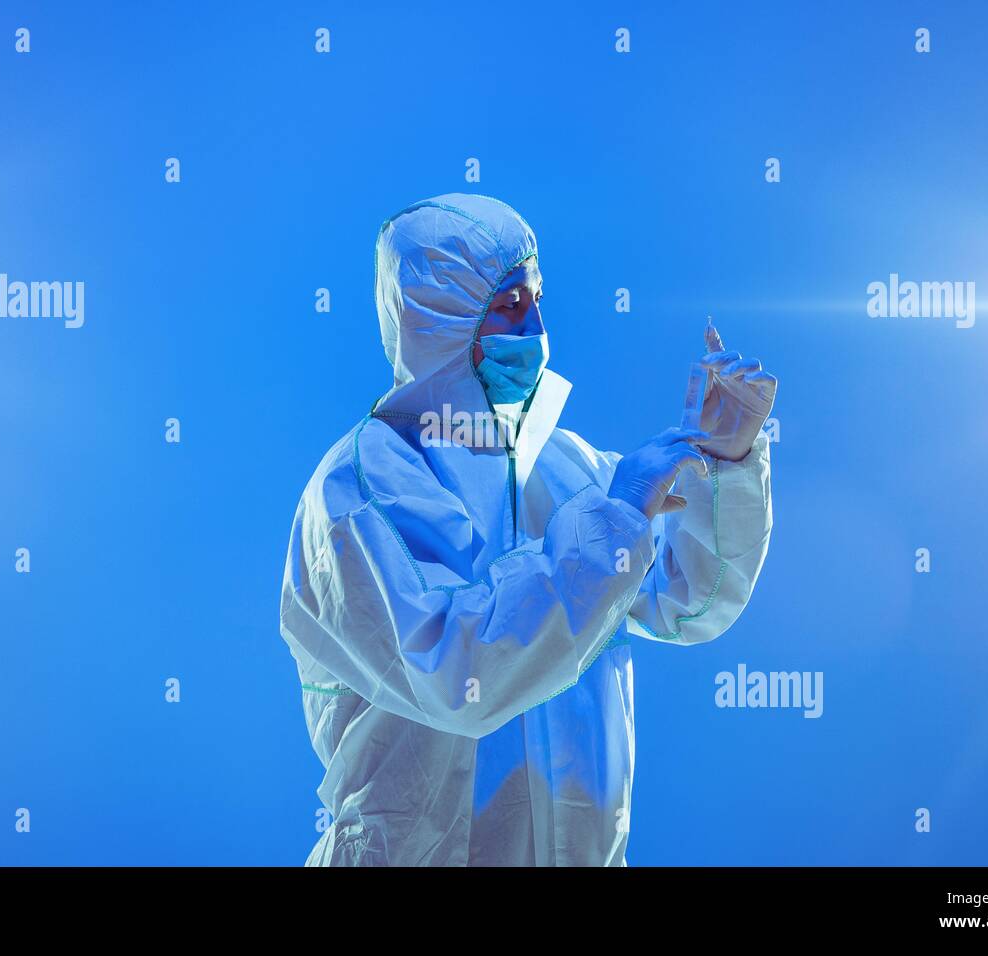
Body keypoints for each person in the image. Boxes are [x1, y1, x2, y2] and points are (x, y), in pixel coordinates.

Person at [279, 193, 775, 866]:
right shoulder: (362, 486)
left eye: (537, 299)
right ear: (439, 320)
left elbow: (689, 604)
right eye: (510, 305)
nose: (537, 327)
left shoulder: (568, 466)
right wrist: (618, 515)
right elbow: (458, 674)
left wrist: (727, 464)